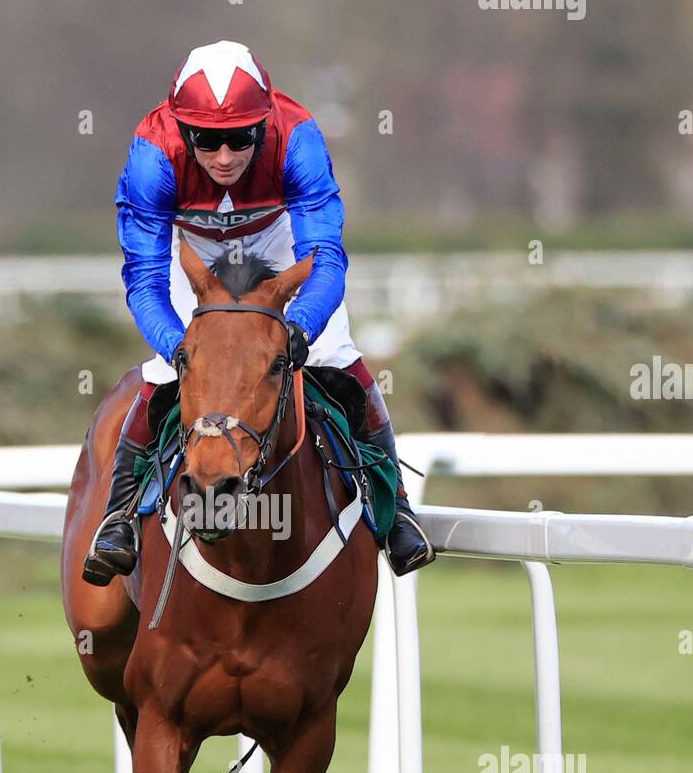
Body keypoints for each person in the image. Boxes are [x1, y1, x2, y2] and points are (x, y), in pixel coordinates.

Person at [83, 39, 434, 586]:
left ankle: (396, 514)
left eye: (240, 139)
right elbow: (145, 279)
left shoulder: (297, 136)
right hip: (192, 248)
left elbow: (326, 259)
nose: (225, 158)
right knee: (160, 372)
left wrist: (302, 329)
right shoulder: (152, 153)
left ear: (263, 124)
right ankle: (120, 518)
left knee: (338, 356)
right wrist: (179, 346)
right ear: (183, 130)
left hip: (278, 241)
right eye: (207, 141)